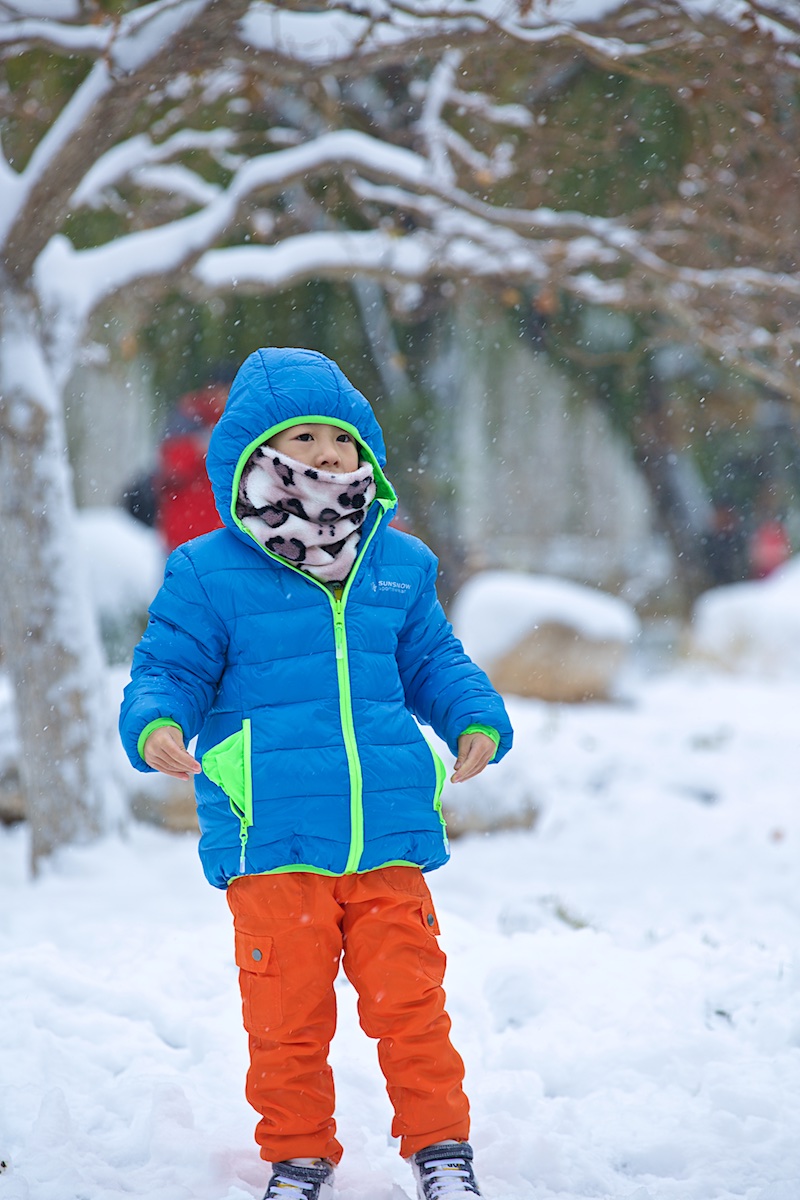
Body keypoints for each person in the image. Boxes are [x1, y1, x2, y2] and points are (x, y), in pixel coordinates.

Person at [119, 347, 513, 1200]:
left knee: (413, 1006)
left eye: (341, 438)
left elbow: (434, 661)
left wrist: (475, 715)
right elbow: (169, 668)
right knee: (286, 1018)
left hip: (386, 831)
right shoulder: (207, 571)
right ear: (256, 453)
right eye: (303, 437)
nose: (327, 454)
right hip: (273, 832)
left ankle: (442, 1149)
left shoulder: (398, 565)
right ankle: (298, 1155)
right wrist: (154, 721)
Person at [154, 373, 232, 551]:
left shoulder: (238, 423)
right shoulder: (187, 417)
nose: (223, 398)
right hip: (184, 533)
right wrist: (200, 447)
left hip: (219, 534)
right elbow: (172, 468)